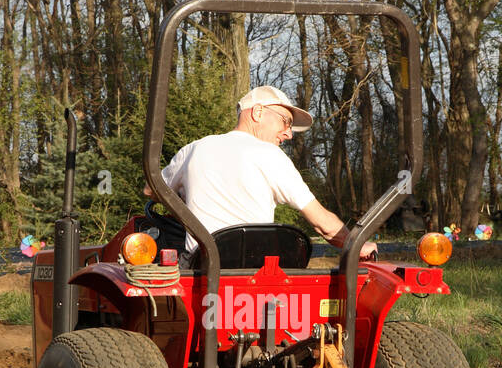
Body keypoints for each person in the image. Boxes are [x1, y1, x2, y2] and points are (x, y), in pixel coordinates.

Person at [147, 85, 378, 261]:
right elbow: (323, 225)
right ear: (257, 112)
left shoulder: (194, 149)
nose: (289, 134)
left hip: (203, 269)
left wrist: (186, 204)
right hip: (257, 273)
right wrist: (357, 244)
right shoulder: (271, 155)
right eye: (285, 122)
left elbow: (152, 189)